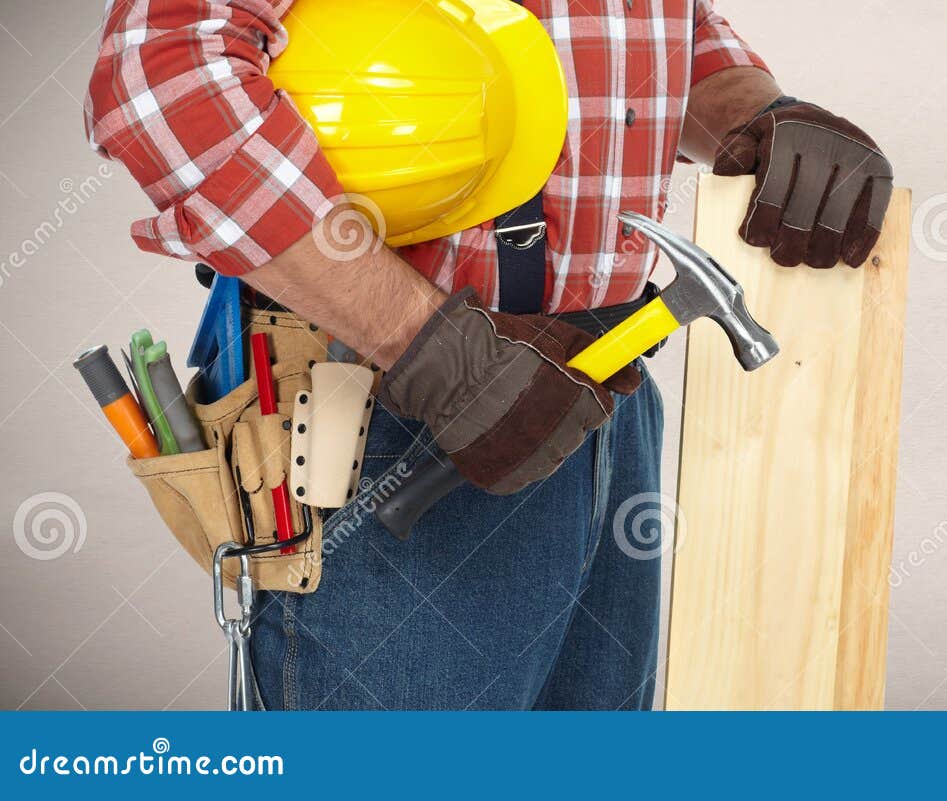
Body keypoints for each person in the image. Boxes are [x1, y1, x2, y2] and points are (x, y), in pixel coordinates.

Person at [83, 0, 893, 710]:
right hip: (385, 399)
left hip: (602, 388)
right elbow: (158, 72)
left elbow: (645, 28)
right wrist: (427, 344)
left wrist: (753, 111)